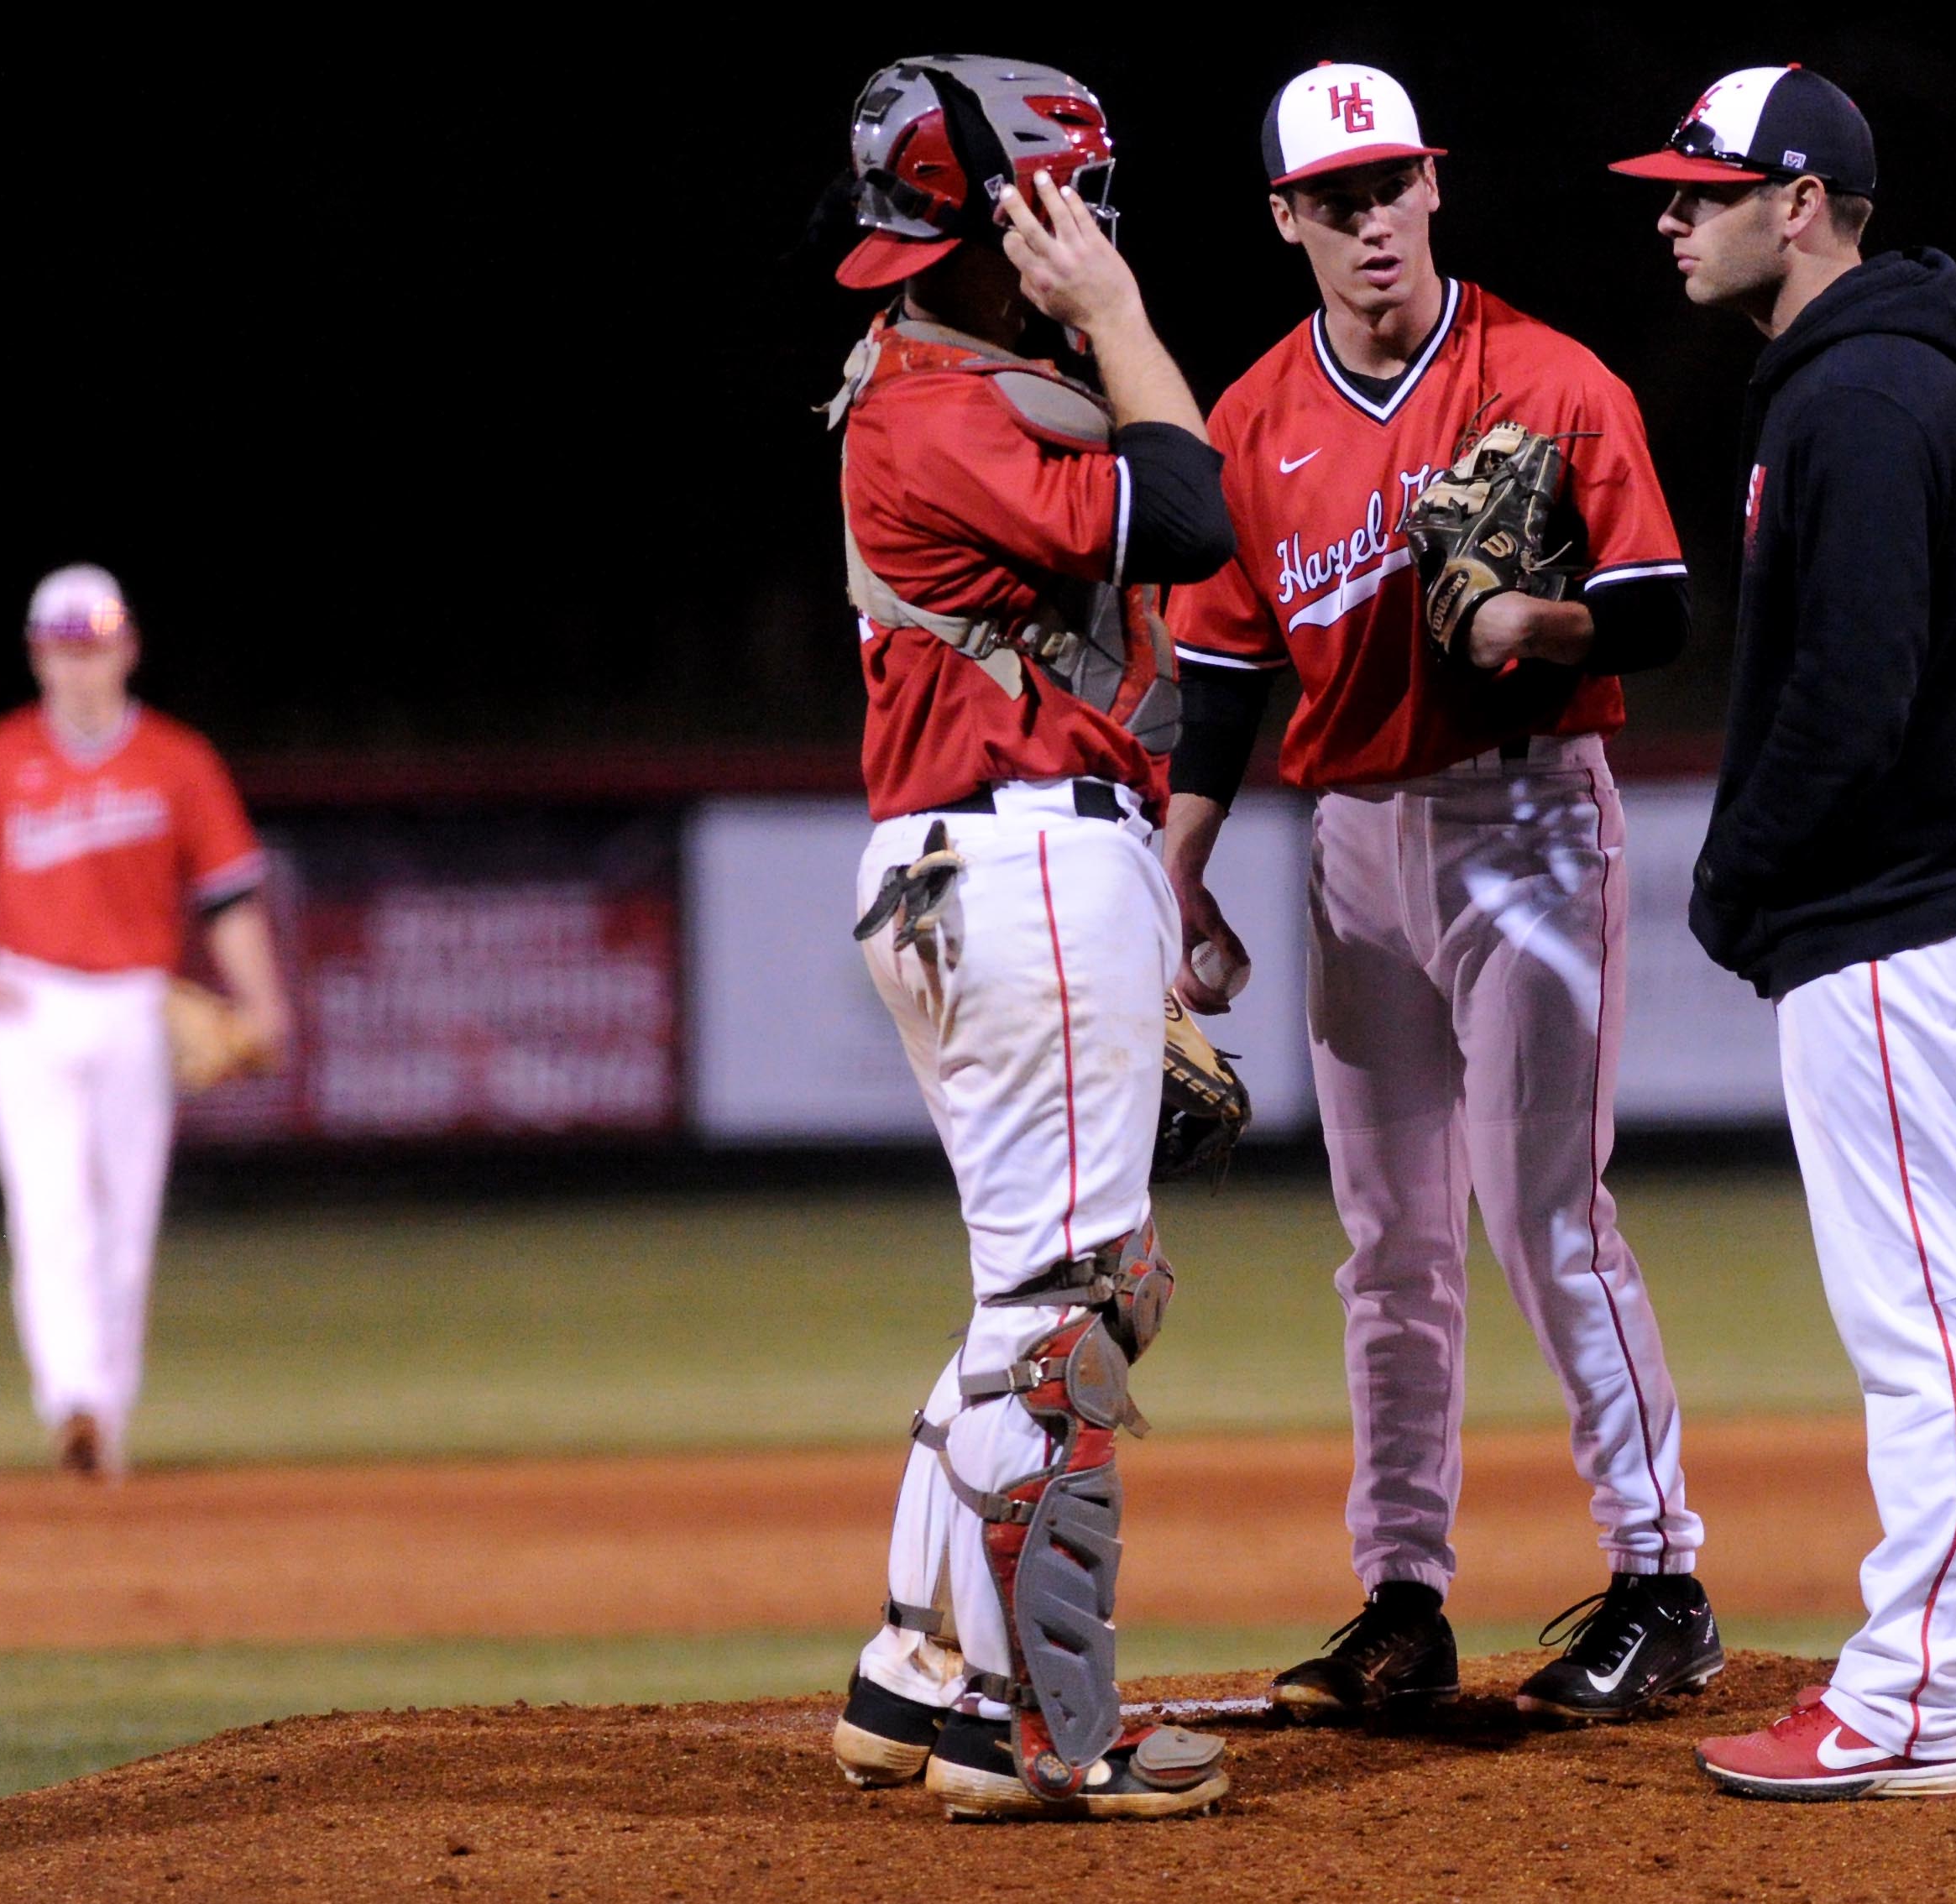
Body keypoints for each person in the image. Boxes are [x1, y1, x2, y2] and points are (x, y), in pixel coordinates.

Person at [1166, 60, 1720, 1726]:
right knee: (1388, 1243)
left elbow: (1657, 604)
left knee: (1545, 1211)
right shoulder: (1251, 419)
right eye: (1334, 199)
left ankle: (1661, 1579)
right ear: (1286, 219)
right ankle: (1402, 1600)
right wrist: (1180, 873)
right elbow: (1219, 678)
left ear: (1433, 186)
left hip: (1526, 817)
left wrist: (1538, 626)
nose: (1371, 222)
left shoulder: (1549, 378)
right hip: (1350, 841)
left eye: (1390, 185)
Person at [1611, 64, 1956, 1801]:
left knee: (1925, 1325)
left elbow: (1851, 689)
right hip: (1950, 904)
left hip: (1886, 911)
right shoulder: (1928, 370)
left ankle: (1909, 1699)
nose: (1672, 217)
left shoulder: (1858, 394)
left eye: (1702, 190)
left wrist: (1740, 876)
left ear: (1798, 204)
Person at [817, 56, 1237, 1820]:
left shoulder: (934, 381)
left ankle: (916, 1671)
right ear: (996, 216)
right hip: (1018, 864)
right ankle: (1030, 1722)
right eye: (1063, 195)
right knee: (1072, 1309)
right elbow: (1190, 511)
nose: (1089, 222)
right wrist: (1118, 311)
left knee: (1038, 1290)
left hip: (982, 865)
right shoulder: (940, 404)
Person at [0, 564, 289, 1479]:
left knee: (123, 1221)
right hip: (27, 1005)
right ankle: (74, 1402)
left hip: (137, 1004)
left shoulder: (178, 761)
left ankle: (107, 1410)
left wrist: (263, 999)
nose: (80, 666)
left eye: (94, 647)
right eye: (63, 650)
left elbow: (229, 894)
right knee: (48, 1211)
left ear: (128, 648)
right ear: (37, 657)